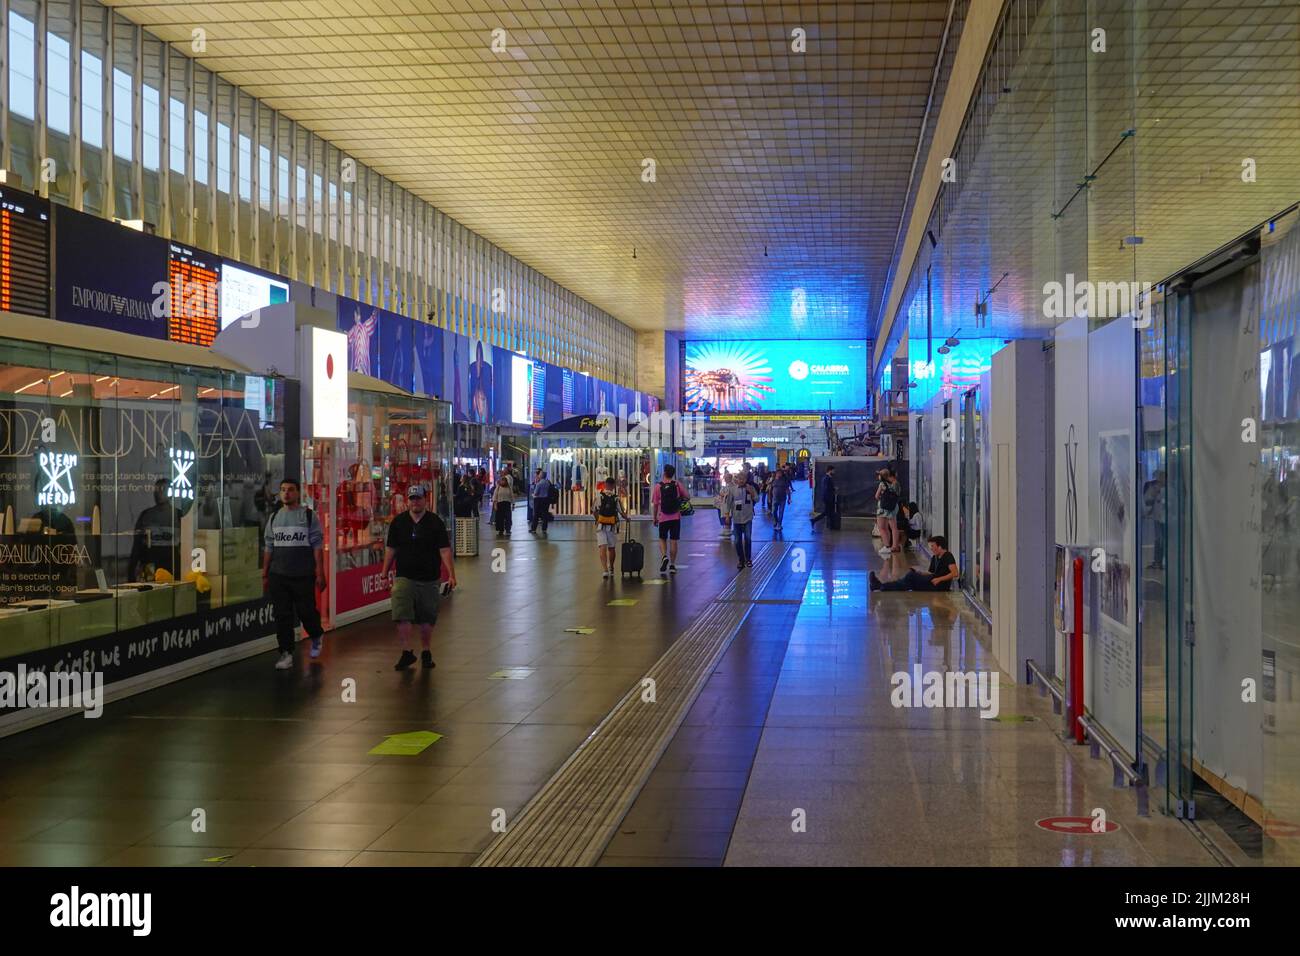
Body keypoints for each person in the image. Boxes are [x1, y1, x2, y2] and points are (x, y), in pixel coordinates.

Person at [380, 485, 455, 670]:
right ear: (408, 500)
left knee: (427, 618)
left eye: (418, 498)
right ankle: (406, 651)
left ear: (425, 499)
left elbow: (444, 550)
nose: (415, 502)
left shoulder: (435, 522)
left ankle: (426, 651)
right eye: (412, 499)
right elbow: (391, 549)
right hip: (404, 576)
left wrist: (452, 575)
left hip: (429, 577)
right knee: (401, 613)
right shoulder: (398, 523)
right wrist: (384, 573)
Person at [262, 478, 326, 670]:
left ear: (298, 493)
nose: (286, 493)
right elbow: (269, 547)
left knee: (306, 611)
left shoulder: (308, 516)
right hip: (278, 575)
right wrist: (265, 574)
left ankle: (316, 635)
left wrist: (320, 572)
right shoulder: (274, 518)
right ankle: (286, 653)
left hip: (302, 575)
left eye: (290, 490)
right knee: (282, 616)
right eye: (282, 490)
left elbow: (317, 545)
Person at [129, 478, 180, 581]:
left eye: (162, 489)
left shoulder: (179, 515)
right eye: (156, 490)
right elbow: (137, 545)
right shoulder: (146, 515)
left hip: (172, 566)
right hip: (151, 566)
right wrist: (131, 571)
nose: (158, 493)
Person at [870, 535, 960, 592]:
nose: (931, 549)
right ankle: (880, 586)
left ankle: (879, 586)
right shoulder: (935, 558)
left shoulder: (948, 556)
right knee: (907, 581)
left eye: (933, 546)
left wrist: (939, 579)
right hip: (932, 581)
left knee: (909, 579)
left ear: (940, 547)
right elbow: (931, 573)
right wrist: (919, 572)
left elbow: (955, 573)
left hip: (939, 586)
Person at [651, 464, 689, 575]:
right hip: (675, 516)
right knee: (673, 540)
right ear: (673, 474)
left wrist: (654, 518)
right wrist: (679, 498)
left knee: (662, 538)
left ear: (664, 473)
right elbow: (687, 496)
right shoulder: (677, 485)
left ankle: (664, 557)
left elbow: (656, 504)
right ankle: (672, 565)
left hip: (663, 517)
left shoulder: (658, 486)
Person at [592, 478, 628, 579]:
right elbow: (621, 512)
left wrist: (598, 520)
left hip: (601, 525)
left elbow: (594, 510)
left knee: (602, 547)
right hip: (612, 526)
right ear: (613, 486)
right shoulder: (616, 498)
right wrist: (627, 518)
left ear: (605, 484)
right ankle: (611, 567)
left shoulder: (599, 496)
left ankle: (605, 570)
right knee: (611, 548)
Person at [727, 469, 758, 569]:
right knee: (737, 541)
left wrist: (752, 492)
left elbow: (757, 499)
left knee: (748, 539)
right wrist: (727, 515)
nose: (741, 480)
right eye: (739, 478)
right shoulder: (732, 489)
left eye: (743, 479)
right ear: (737, 479)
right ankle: (741, 559)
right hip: (736, 518)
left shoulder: (750, 487)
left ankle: (748, 559)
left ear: (746, 479)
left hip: (748, 517)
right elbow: (728, 503)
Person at [874, 467, 902, 554]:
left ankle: (886, 546)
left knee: (882, 528)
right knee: (894, 528)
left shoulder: (882, 484)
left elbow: (876, 496)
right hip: (893, 508)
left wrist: (881, 498)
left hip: (883, 508)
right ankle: (895, 546)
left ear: (882, 476)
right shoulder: (896, 484)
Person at [1142, 470, 1166, 570]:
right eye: (1159, 477)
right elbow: (1148, 501)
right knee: (1158, 540)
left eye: (1161, 477)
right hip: (1158, 519)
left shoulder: (1168, 489)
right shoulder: (1154, 487)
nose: (1159, 479)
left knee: (1162, 541)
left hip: (1165, 519)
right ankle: (1157, 562)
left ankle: (1159, 562)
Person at [810, 465, 838, 529]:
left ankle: (831, 525)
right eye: (833, 470)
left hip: (827, 497)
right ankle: (814, 520)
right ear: (830, 470)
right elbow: (827, 488)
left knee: (829, 512)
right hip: (828, 498)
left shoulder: (826, 478)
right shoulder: (827, 478)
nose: (834, 472)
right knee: (827, 512)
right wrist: (834, 489)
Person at [531, 469, 554, 537]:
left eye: (539, 474)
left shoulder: (539, 483)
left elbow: (536, 493)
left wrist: (533, 495)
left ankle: (533, 529)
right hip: (546, 500)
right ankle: (544, 529)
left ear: (541, 476)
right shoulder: (548, 483)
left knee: (536, 514)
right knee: (545, 514)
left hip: (538, 500)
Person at [492, 470, 515, 537]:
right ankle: (500, 530)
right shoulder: (498, 487)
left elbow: (512, 496)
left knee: (508, 517)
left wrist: (513, 504)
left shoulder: (509, 488)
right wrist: (495, 504)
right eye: (502, 481)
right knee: (500, 518)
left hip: (507, 504)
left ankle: (508, 530)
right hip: (500, 504)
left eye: (504, 481)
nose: (503, 482)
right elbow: (495, 496)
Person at [770, 465, 793, 532]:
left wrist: (789, 498)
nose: (779, 474)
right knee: (774, 511)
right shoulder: (773, 480)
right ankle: (776, 522)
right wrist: (769, 497)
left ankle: (779, 524)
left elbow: (787, 489)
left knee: (781, 512)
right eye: (778, 473)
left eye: (780, 473)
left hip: (782, 499)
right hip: (774, 498)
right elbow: (769, 489)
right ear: (776, 474)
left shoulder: (784, 481)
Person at [715, 471, 733, 537]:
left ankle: (728, 530)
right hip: (723, 504)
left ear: (730, 478)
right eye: (724, 478)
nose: (725, 479)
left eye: (726, 478)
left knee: (727, 516)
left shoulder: (731, 486)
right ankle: (725, 529)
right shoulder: (726, 486)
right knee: (723, 515)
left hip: (727, 504)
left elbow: (728, 495)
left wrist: (723, 495)